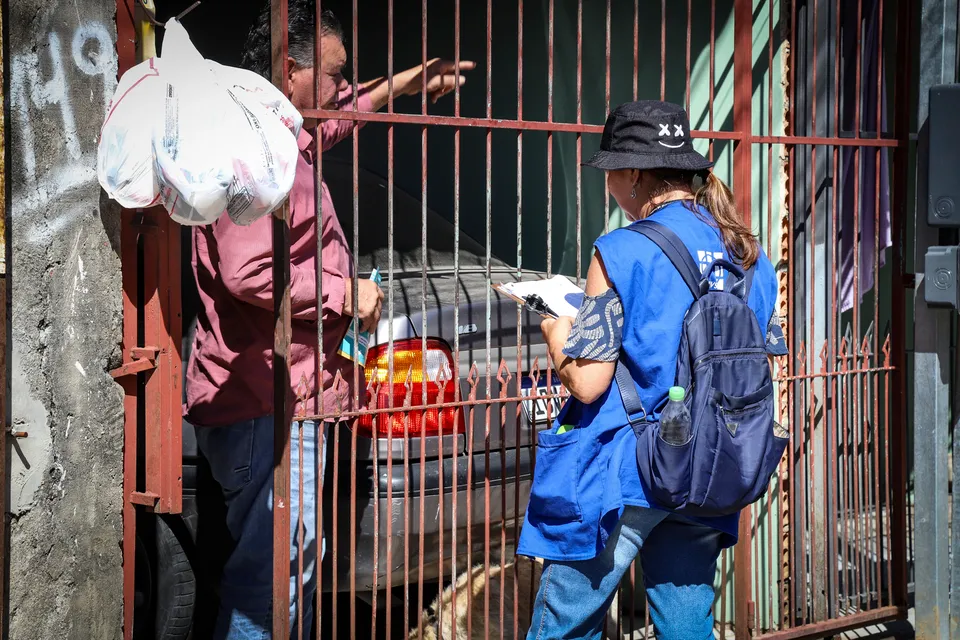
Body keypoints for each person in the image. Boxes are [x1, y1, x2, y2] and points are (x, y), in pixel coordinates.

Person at [183, 3, 475, 638]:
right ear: (291, 71)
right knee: (271, 584)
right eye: (337, 74)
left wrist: (403, 84)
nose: (345, 89)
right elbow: (247, 271)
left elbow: (337, 122)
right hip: (267, 404)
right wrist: (347, 294)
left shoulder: (280, 133)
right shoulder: (251, 150)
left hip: (283, 397)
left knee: (290, 578)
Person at [517, 100, 787, 640]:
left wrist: (554, 328)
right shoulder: (750, 256)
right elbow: (762, 358)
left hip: (630, 473)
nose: (609, 184)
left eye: (611, 171)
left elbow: (589, 380)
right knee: (688, 626)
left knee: (565, 623)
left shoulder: (620, 251)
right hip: (713, 469)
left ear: (634, 173)